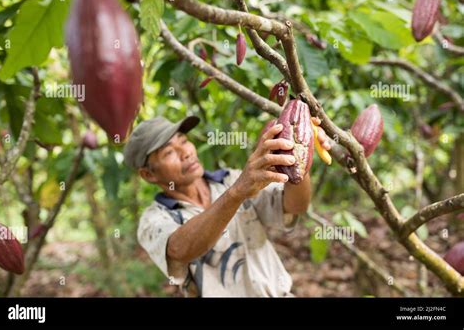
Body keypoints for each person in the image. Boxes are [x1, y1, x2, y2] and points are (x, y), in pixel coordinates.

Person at [123, 115, 331, 297]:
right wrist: (237, 192)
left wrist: (298, 152)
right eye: (168, 153)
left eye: (184, 141)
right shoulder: (155, 219)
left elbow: (295, 206)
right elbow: (180, 249)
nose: (185, 152)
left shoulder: (230, 180)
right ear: (148, 174)